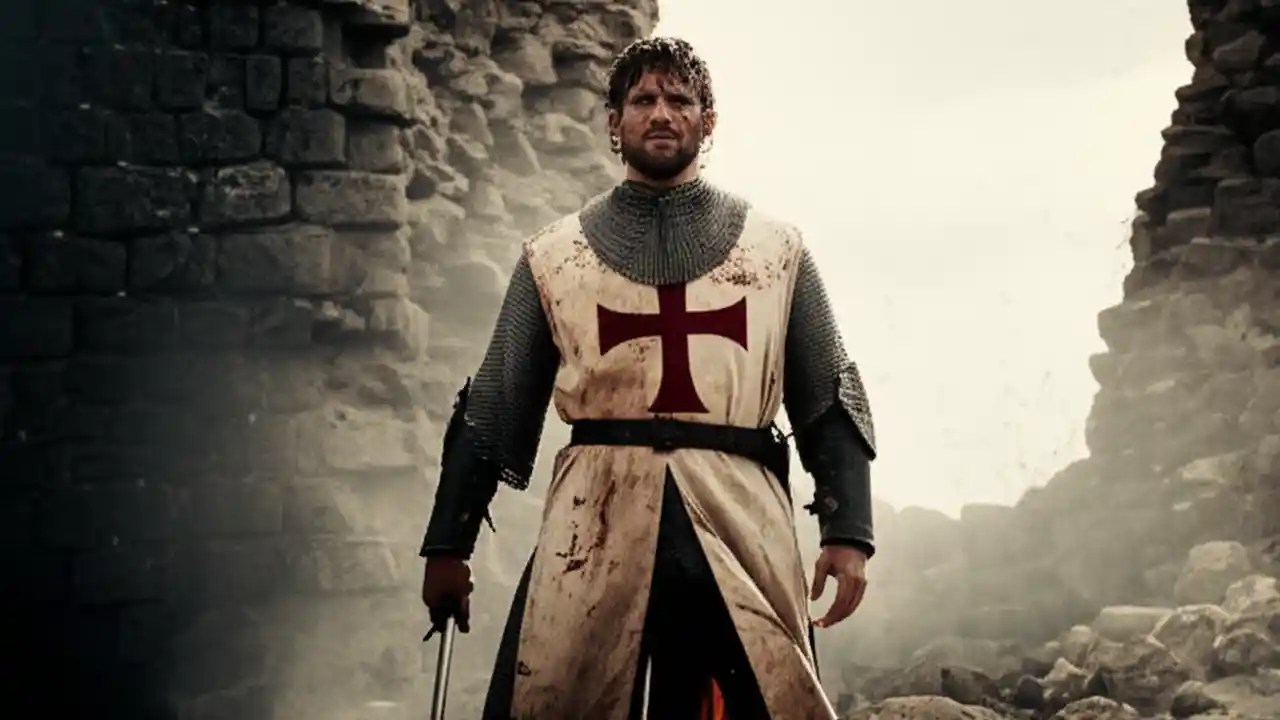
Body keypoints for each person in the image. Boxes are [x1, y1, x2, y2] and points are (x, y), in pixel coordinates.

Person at [418, 36, 878, 720]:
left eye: (679, 100)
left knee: (770, 699)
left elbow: (827, 397)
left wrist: (848, 533)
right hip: (596, 509)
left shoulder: (776, 252)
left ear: (707, 120)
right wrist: (448, 547)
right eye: (643, 100)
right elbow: (496, 404)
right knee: (556, 696)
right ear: (615, 120)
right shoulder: (555, 257)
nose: (661, 113)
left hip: (738, 510)